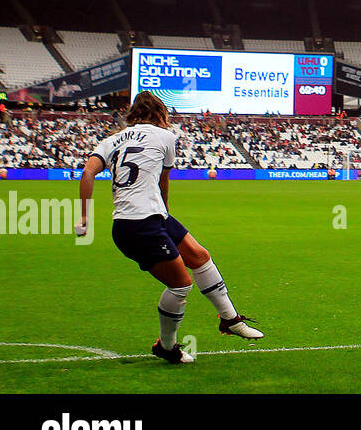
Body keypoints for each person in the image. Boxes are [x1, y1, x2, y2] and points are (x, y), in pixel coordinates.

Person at [75, 91, 263, 365]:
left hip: (143, 219)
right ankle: (167, 347)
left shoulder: (111, 140)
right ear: (160, 114)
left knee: (200, 257)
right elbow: (164, 181)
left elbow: (88, 172)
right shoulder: (165, 136)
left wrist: (84, 217)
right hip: (140, 224)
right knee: (180, 285)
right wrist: (165, 209)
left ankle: (230, 319)